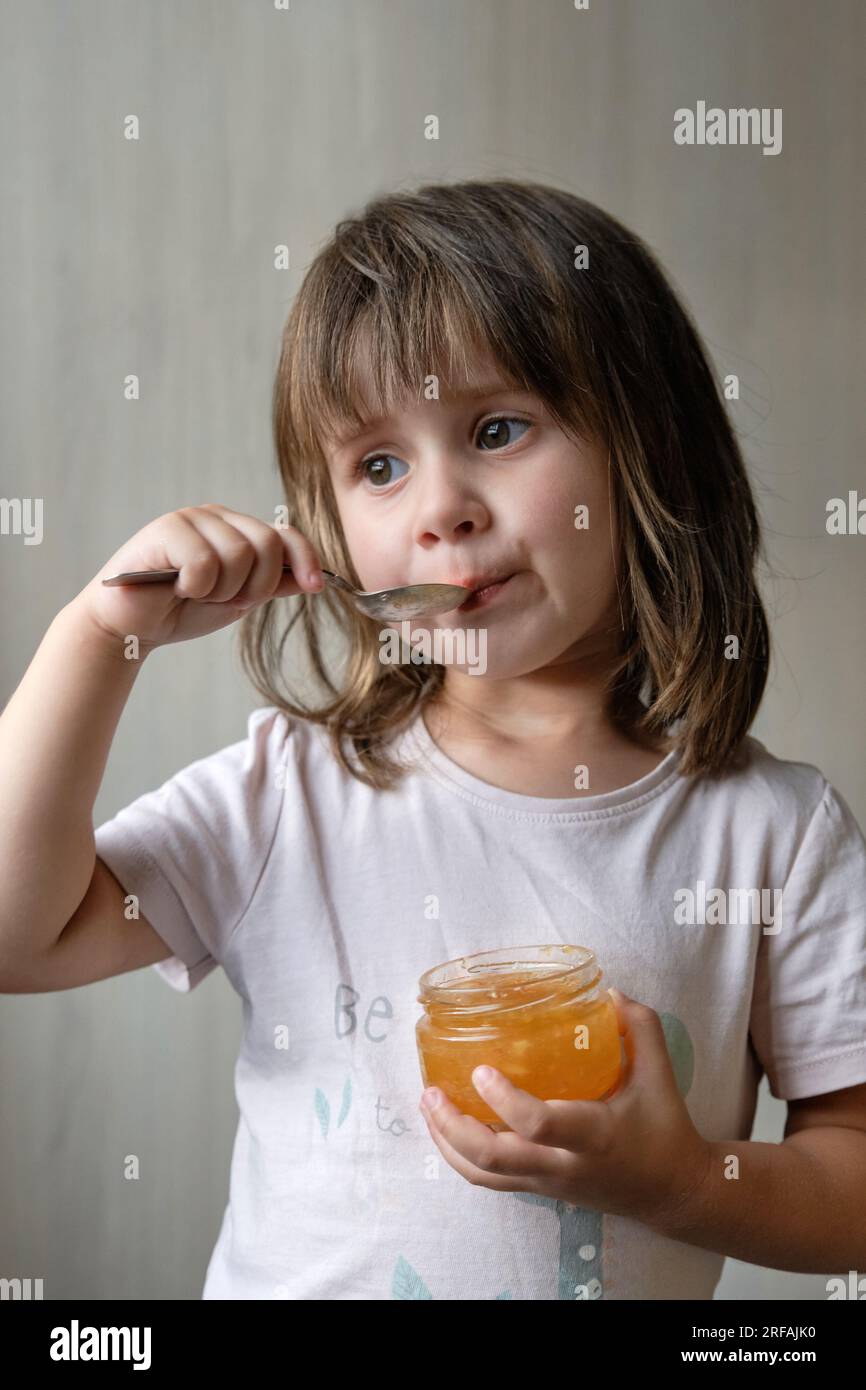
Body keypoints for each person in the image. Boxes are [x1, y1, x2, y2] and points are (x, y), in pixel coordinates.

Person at [3, 179, 865, 1300]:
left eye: (497, 430)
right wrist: (97, 636)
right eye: (376, 465)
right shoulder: (290, 795)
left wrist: (680, 1179)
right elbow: (17, 937)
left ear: (647, 448)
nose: (440, 506)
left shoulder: (771, 838)